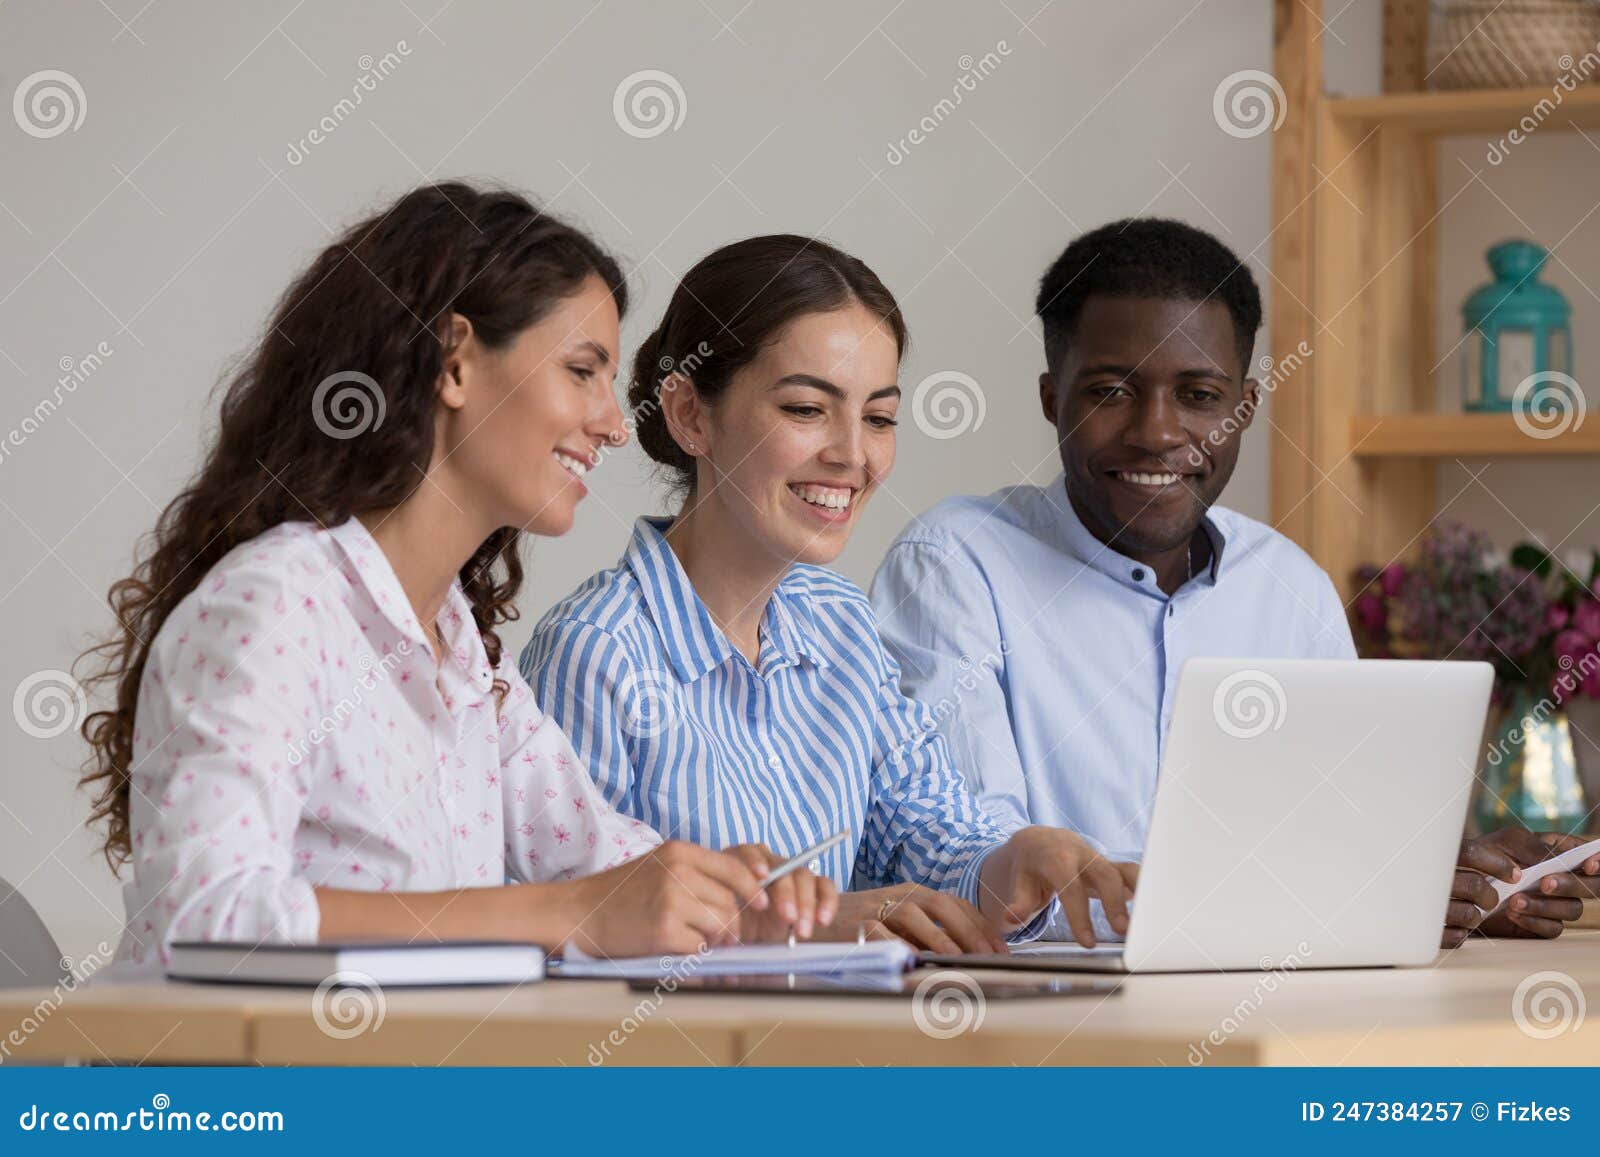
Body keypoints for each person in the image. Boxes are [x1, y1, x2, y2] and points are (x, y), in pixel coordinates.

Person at [78, 183, 826, 970]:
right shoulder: (275, 606)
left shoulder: (462, 655)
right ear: (456, 360)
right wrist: (561, 912)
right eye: (581, 370)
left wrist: (777, 909)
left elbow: (604, 866)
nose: (612, 423)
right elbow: (201, 919)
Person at [869, 216, 1596, 946]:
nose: (1157, 431)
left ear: (1244, 407)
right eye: (1111, 391)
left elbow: (1338, 847)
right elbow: (977, 872)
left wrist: (1443, 887)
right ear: (1052, 399)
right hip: (1041, 1030)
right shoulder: (953, 567)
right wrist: (1320, 900)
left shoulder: (1290, 589)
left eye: (1199, 395)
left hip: (1269, 1014)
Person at [522, 234, 1136, 954]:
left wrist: (1011, 863)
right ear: (690, 414)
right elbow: (579, 926)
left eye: (878, 417)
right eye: (808, 409)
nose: (852, 454)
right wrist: (803, 928)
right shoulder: (594, 652)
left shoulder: (838, 618)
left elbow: (921, 828)